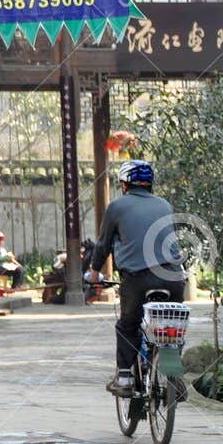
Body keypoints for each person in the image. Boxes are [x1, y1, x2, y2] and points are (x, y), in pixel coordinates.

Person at [84, 160, 184, 396]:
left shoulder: (117, 206)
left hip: (137, 279)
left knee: (128, 325)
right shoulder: (165, 205)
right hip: (174, 277)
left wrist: (95, 273)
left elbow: (103, 244)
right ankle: (173, 375)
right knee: (170, 325)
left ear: (124, 184)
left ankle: (126, 377)